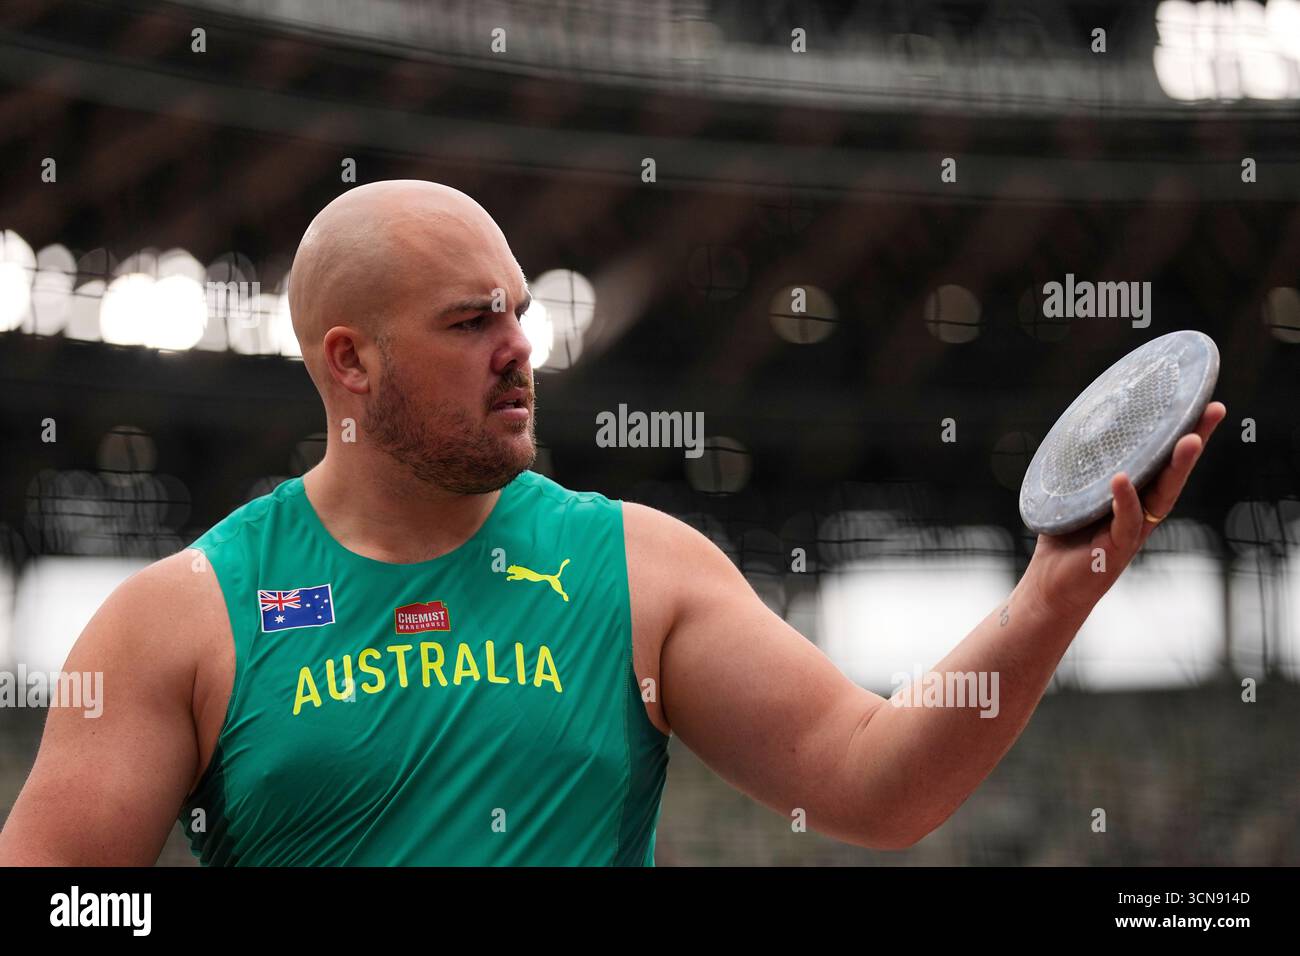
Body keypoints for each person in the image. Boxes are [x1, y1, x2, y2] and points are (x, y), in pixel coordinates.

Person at [0, 180, 1226, 865]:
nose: (518, 348)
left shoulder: (634, 566)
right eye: (471, 320)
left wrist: (1050, 595)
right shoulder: (177, 619)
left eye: (519, 312)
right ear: (350, 362)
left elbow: (875, 783)